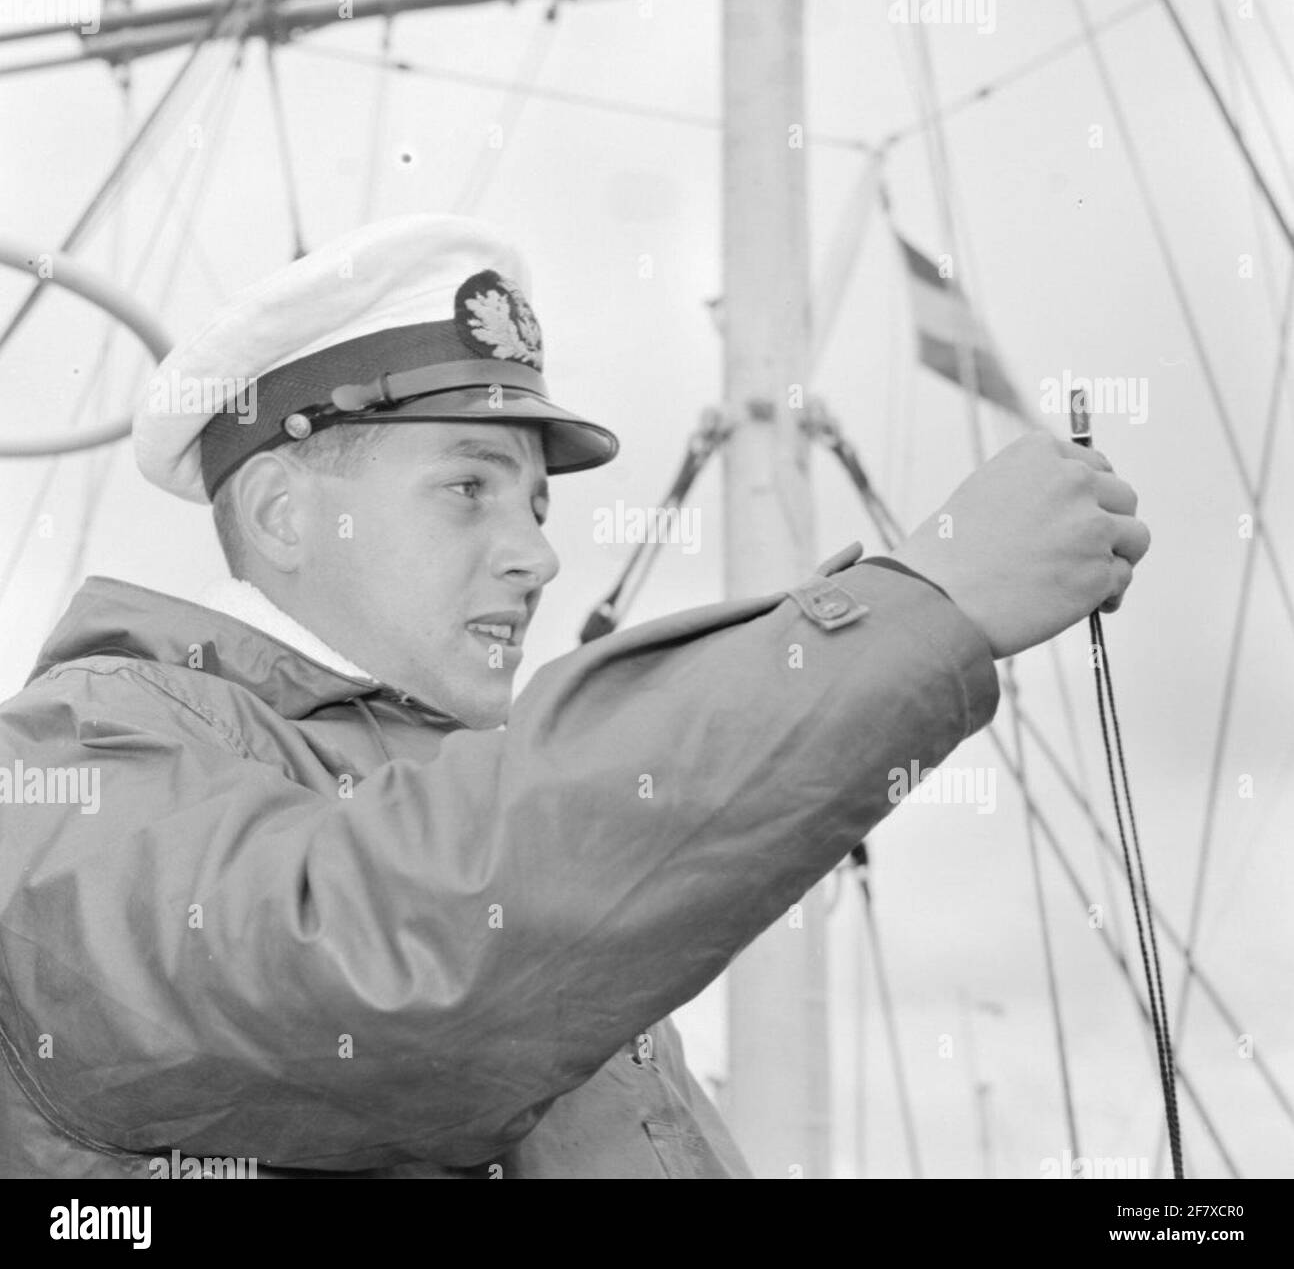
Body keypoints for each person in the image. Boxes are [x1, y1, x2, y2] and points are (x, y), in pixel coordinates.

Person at [0, 215, 1149, 1178]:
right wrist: (917, 608)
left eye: (538, 509)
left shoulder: (455, 801)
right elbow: (378, 958)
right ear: (284, 513)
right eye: (468, 488)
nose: (537, 556)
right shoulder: (80, 747)